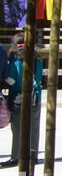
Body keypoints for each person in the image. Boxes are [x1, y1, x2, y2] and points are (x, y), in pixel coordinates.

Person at [2, 33, 45, 168]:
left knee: (17, 129)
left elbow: (11, 81)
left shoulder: (15, 63)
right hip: (36, 96)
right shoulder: (37, 59)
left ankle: (16, 157)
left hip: (19, 98)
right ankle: (33, 156)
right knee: (34, 127)